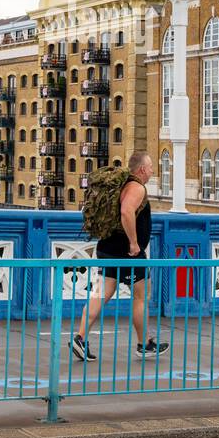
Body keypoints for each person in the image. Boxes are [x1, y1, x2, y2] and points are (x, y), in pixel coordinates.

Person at [70, 151, 169, 361]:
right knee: (141, 296)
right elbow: (126, 211)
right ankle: (144, 344)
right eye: (151, 167)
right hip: (127, 252)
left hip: (107, 246)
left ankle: (80, 338)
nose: (152, 171)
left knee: (101, 292)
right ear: (142, 169)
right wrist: (134, 244)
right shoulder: (136, 187)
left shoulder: (121, 186)